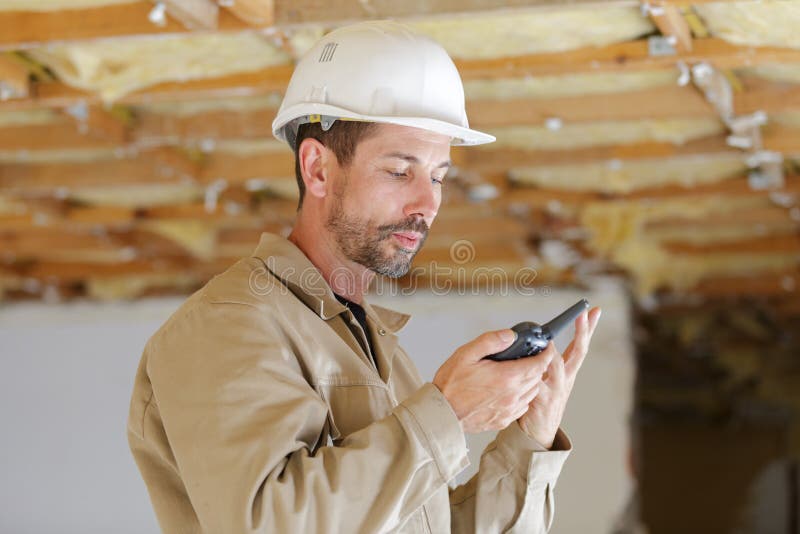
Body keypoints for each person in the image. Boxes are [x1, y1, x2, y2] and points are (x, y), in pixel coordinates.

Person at [127, 20, 602, 533]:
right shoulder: (226, 326)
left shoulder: (382, 357)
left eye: (439, 176)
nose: (428, 204)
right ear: (318, 170)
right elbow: (272, 522)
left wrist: (531, 437)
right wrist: (446, 415)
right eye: (401, 171)